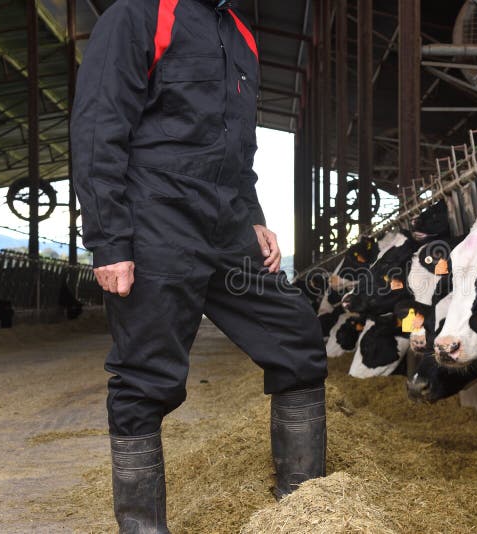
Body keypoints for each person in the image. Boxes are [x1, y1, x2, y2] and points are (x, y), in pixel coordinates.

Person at [70, 1, 328, 531]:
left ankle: (306, 509)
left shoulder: (240, 35)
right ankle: (143, 526)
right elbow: (99, 124)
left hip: (227, 224)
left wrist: (254, 219)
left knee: (297, 335)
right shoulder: (138, 15)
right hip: (157, 222)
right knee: (146, 377)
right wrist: (109, 240)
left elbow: (240, 148)